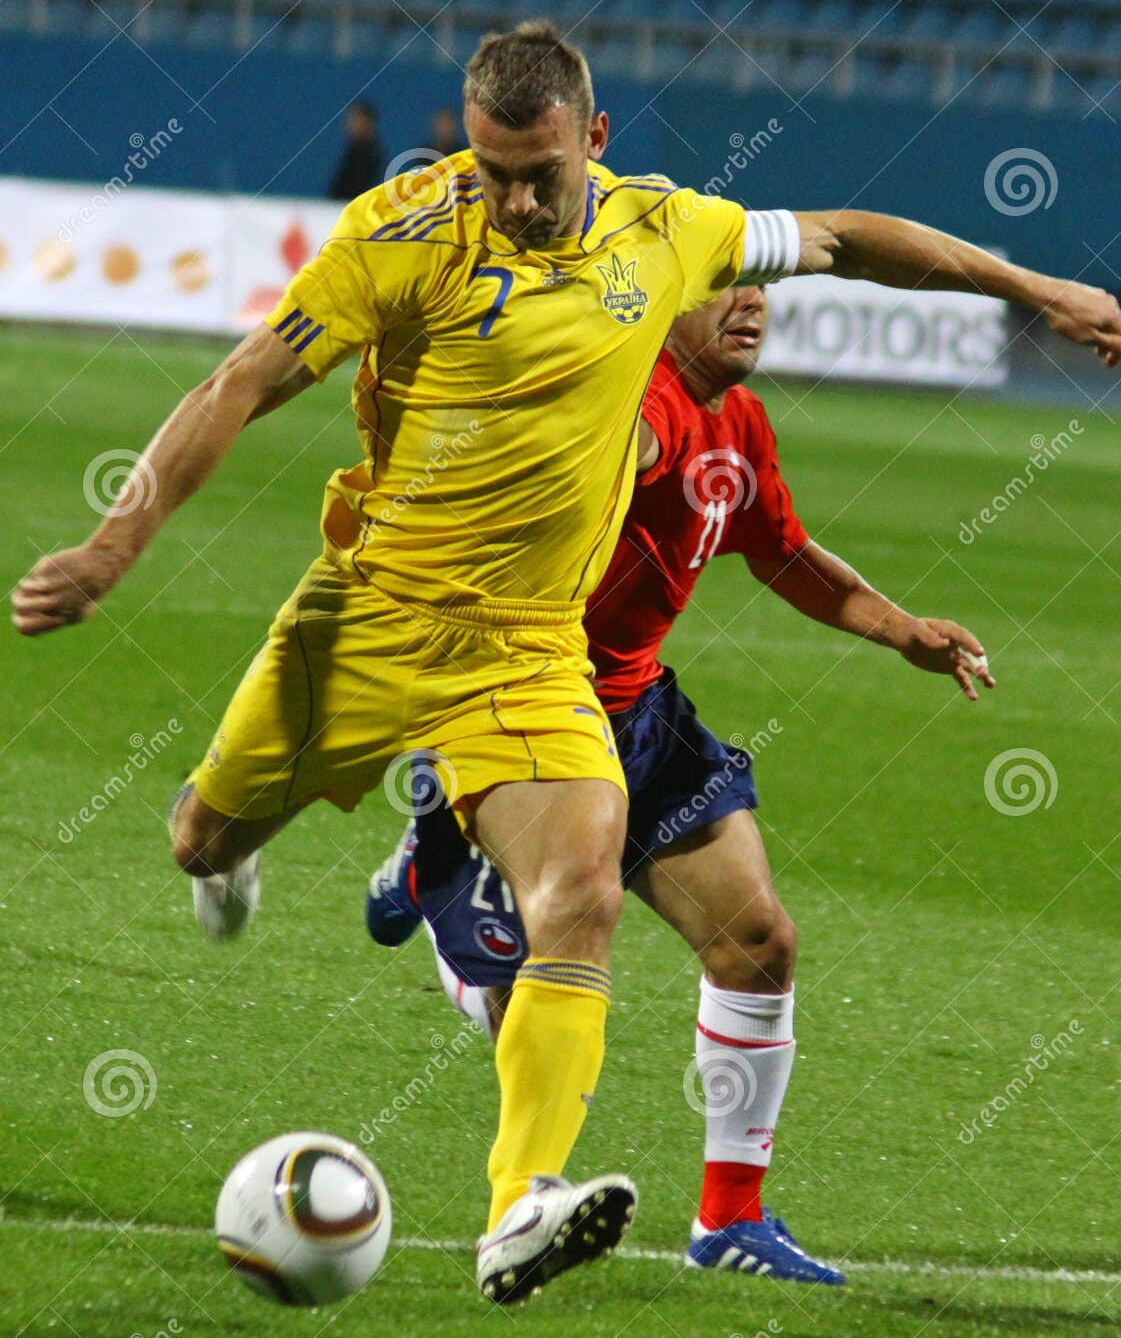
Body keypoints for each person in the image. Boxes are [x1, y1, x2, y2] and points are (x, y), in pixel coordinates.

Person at [12, 20, 1121, 1308]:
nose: (517, 200)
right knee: (200, 836)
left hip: (531, 647)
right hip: (372, 613)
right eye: (493, 170)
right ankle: (242, 843)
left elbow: (849, 237)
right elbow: (240, 382)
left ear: (595, 141)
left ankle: (517, 1203)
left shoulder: (667, 230)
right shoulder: (406, 228)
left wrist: (1033, 289)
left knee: (584, 889)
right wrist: (115, 541)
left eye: (540, 172)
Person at [364, 281, 995, 1285]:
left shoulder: (736, 418)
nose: (749, 305)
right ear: (661, 303)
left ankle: (728, 1224)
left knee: (758, 943)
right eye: (721, 288)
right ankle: (440, 858)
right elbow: (600, 460)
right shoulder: (639, 407)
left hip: (641, 717)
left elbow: (780, 548)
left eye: (761, 289)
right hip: (539, 718)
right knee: (512, 985)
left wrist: (900, 629)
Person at [327, 100, 387, 202]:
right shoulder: (353, 149)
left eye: (355, 118)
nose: (350, 123)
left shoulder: (370, 153)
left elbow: (358, 188)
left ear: (367, 122)